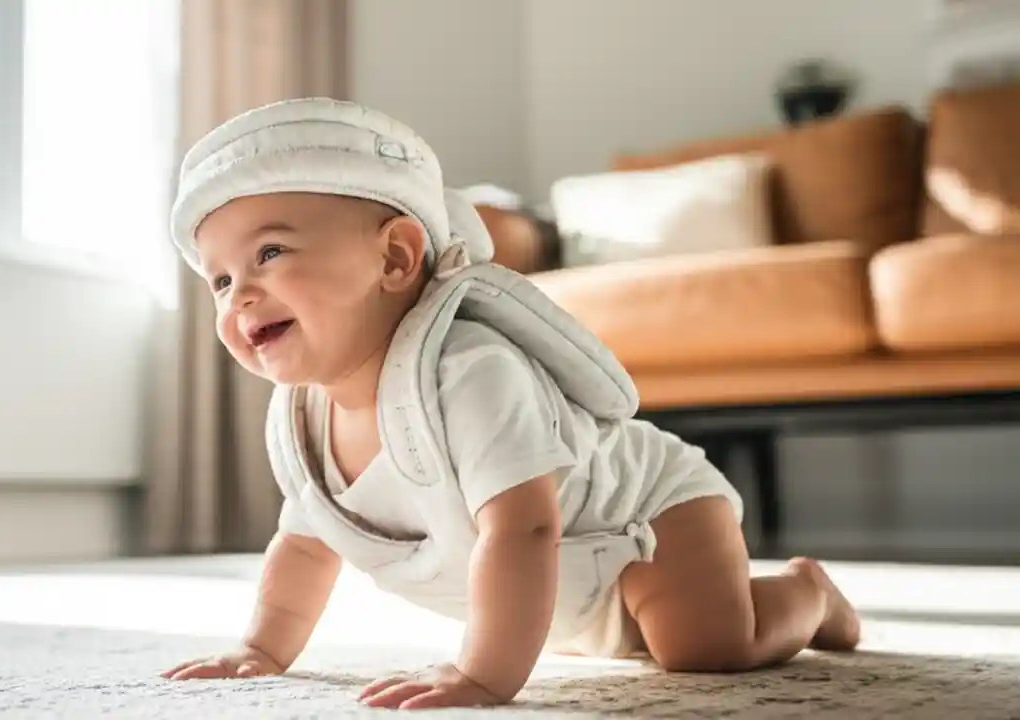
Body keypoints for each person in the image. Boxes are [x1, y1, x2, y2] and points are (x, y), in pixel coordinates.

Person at [161, 98, 860, 710]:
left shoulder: (469, 372)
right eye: (220, 280)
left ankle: (806, 592)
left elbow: (522, 531)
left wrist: (484, 676)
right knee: (623, 637)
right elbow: (306, 547)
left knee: (704, 644)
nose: (240, 296)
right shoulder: (298, 419)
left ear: (396, 259)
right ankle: (613, 620)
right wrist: (261, 650)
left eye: (271, 252)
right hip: (569, 572)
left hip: (652, 513)